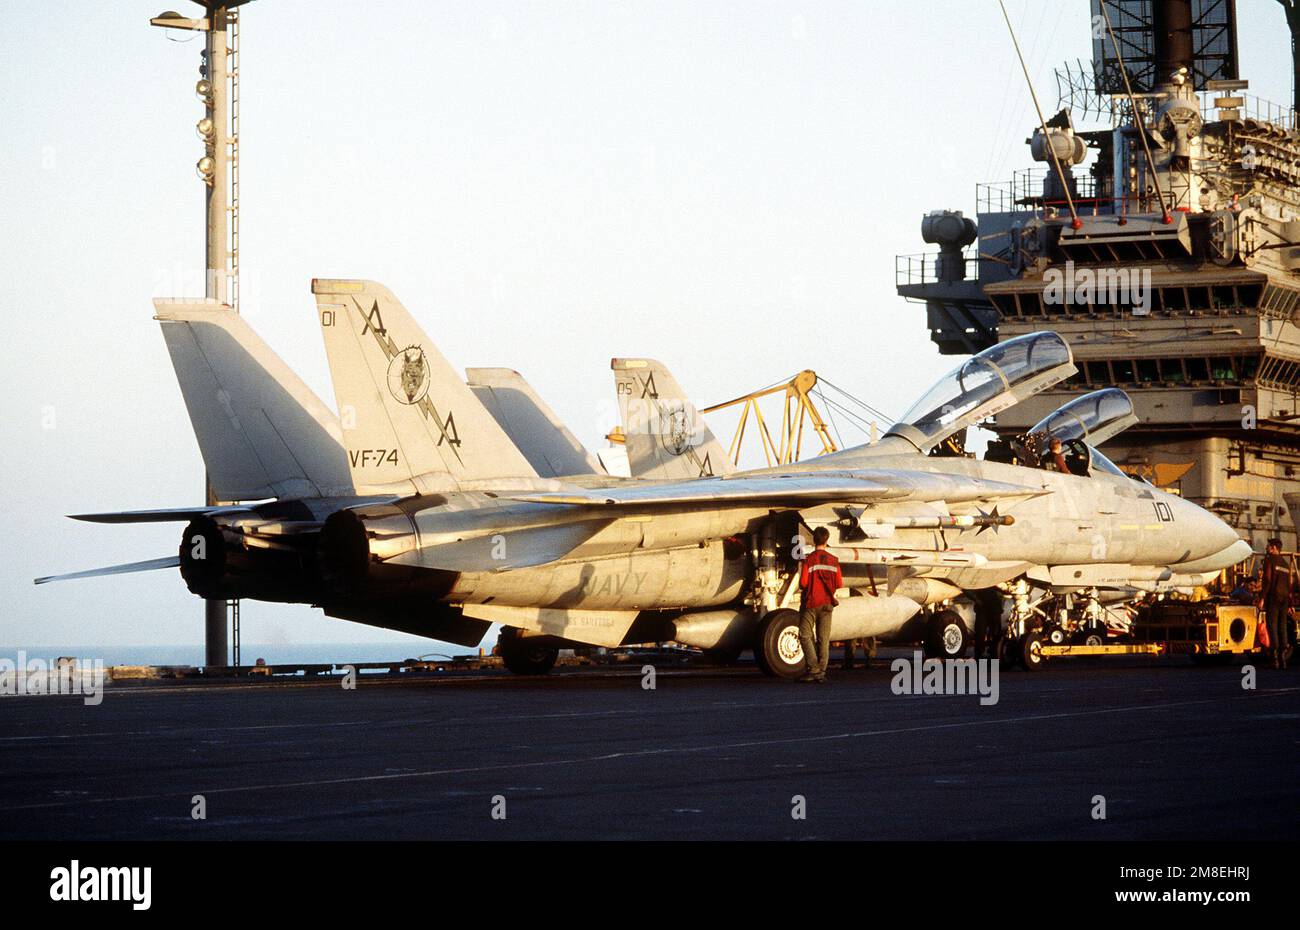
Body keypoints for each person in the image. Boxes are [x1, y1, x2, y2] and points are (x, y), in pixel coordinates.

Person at [798, 526, 842, 683]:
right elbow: (839, 583)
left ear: (813, 539)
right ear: (827, 540)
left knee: (804, 634)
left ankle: (813, 668)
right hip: (828, 603)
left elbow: (803, 583)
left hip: (811, 602)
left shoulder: (809, 560)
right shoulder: (834, 561)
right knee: (823, 638)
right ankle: (821, 671)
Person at [1257, 539, 1292, 670]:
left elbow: (1267, 579)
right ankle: (1283, 656)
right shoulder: (1285, 564)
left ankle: (1275, 657)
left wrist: (1262, 598)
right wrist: (1290, 604)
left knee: (1272, 625)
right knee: (1282, 626)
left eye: (1268, 546)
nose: (1266, 548)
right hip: (1284, 599)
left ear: (1273, 548)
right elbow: (1289, 585)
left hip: (1273, 597)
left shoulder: (1270, 560)